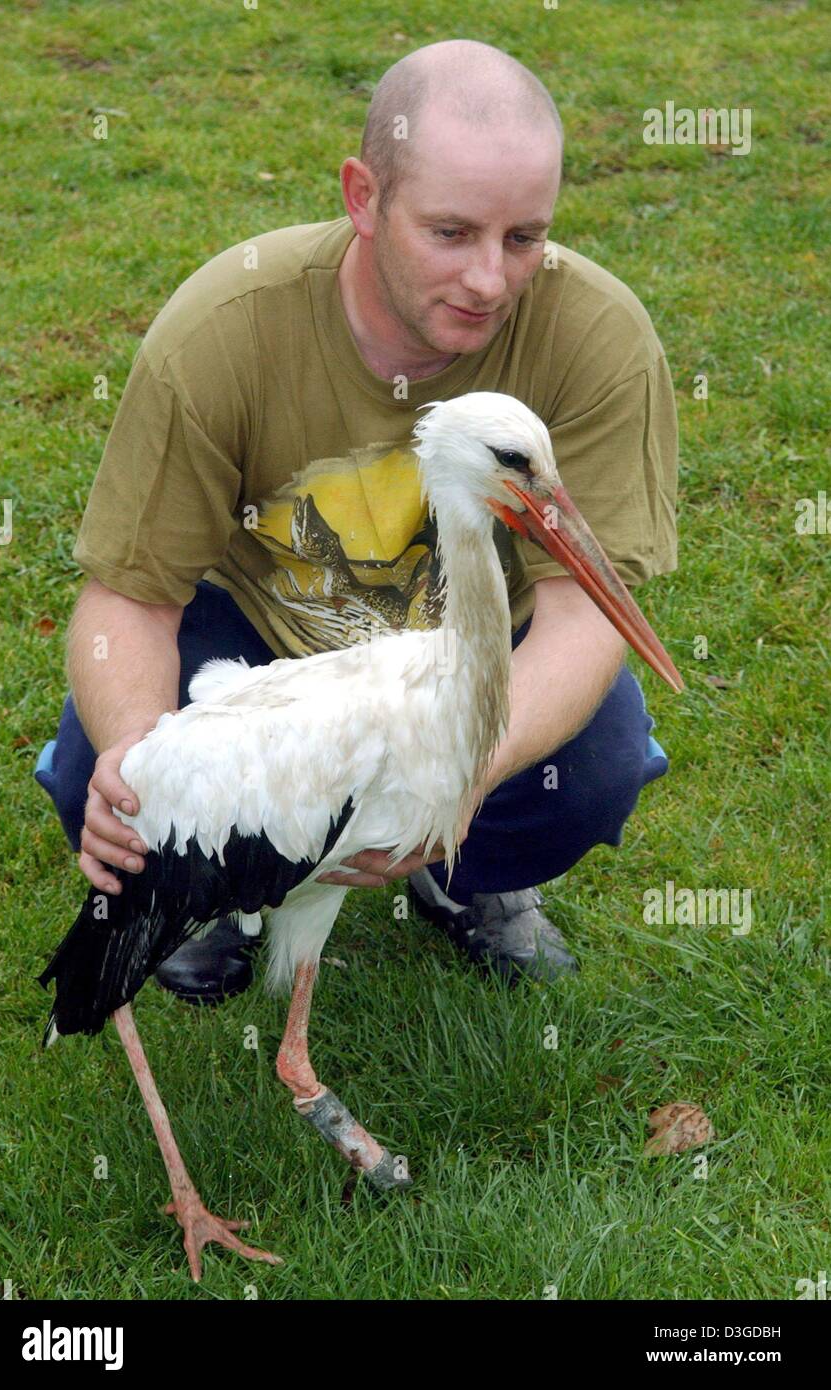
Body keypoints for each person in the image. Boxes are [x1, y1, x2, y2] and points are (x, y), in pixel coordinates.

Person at [35, 39, 677, 1001]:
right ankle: (210, 890)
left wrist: (444, 790)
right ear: (363, 198)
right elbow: (128, 597)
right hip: (266, 648)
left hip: (462, 667)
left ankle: (464, 876)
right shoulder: (223, 329)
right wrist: (145, 763)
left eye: (524, 238)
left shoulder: (596, 338)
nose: (491, 282)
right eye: (451, 233)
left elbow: (586, 619)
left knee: (595, 765)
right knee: (107, 760)